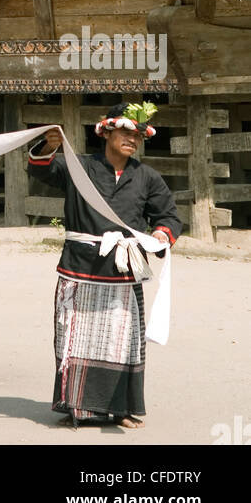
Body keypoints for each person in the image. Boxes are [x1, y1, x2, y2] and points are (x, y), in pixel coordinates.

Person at [27, 100, 180, 428]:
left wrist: (160, 236)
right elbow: (39, 168)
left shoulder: (147, 177)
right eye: (126, 131)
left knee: (122, 343)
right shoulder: (77, 167)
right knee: (73, 336)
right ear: (107, 131)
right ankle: (76, 407)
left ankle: (121, 408)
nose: (132, 139)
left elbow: (168, 215)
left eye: (138, 135)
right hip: (79, 267)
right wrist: (47, 146)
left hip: (123, 270)